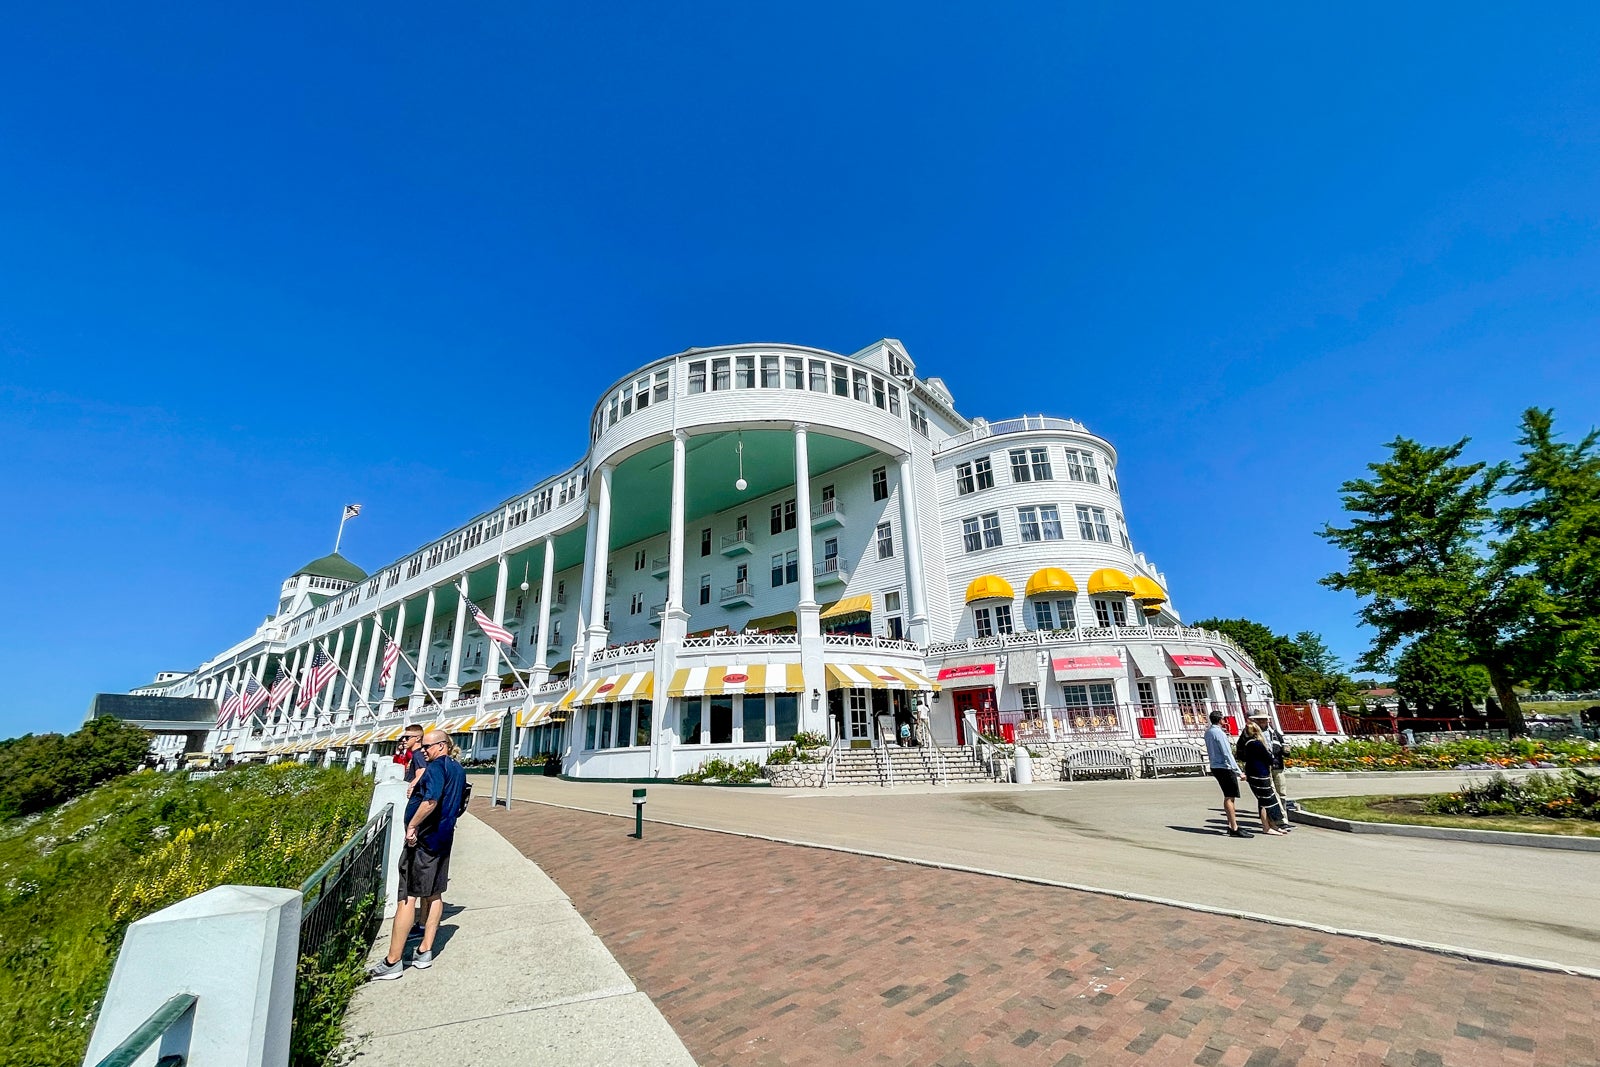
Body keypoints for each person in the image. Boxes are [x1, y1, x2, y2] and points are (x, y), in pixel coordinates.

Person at [369, 728, 468, 979]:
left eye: (427, 746)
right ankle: (425, 951)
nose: (423, 750)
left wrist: (412, 825)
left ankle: (393, 961)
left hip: (424, 840)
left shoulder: (436, 768)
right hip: (443, 838)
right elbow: (460, 802)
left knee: (408, 896)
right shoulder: (457, 768)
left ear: (442, 746)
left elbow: (431, 801)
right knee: (434, 894)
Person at [1238, 721, 1291, 835]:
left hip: (1254, 774)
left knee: (1267, 800)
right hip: (1260, 775)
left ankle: (1273, 825)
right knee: (1265, 801)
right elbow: (1268, 758)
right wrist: (1273, 759)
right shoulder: (1256, 744)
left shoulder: (1247, 744)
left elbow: (1243, 757)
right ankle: (1266, 827)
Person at [1204, 710, 1249, 838]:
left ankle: (1231, 824)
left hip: (1215, 766)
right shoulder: (1219, 733)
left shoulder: (1208, 732)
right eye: (1223, 719)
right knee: (1230, 796)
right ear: (1220, 720)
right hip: (1224, 767)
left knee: (1229, 795)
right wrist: (1238, 771)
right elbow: (1227, 753)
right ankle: (1234, 827)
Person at [1251, 712, 1294, 810]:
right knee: (1269, 792)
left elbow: (1283, 746)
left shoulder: (1274, 733)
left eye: (1264, 719)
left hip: (1277, 765)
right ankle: (1273, 814)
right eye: (1259, 719)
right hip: (1264, 767)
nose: (1262, 721)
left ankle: (1283, 813)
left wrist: (1286, 751)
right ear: (1255, 721)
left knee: (1282, 791)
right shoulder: (1253, 734)